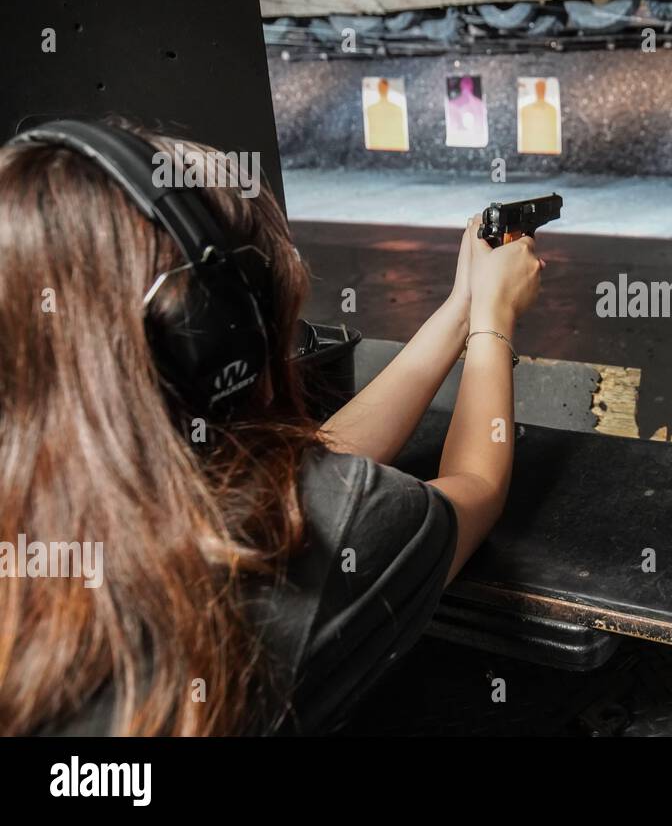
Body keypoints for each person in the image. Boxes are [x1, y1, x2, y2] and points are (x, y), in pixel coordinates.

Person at [0, 120, 543, 735]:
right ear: (212, 334)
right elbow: (474, 483)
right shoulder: (344, 530)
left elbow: (306, 467)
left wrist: (461, 306)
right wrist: (495, 320)